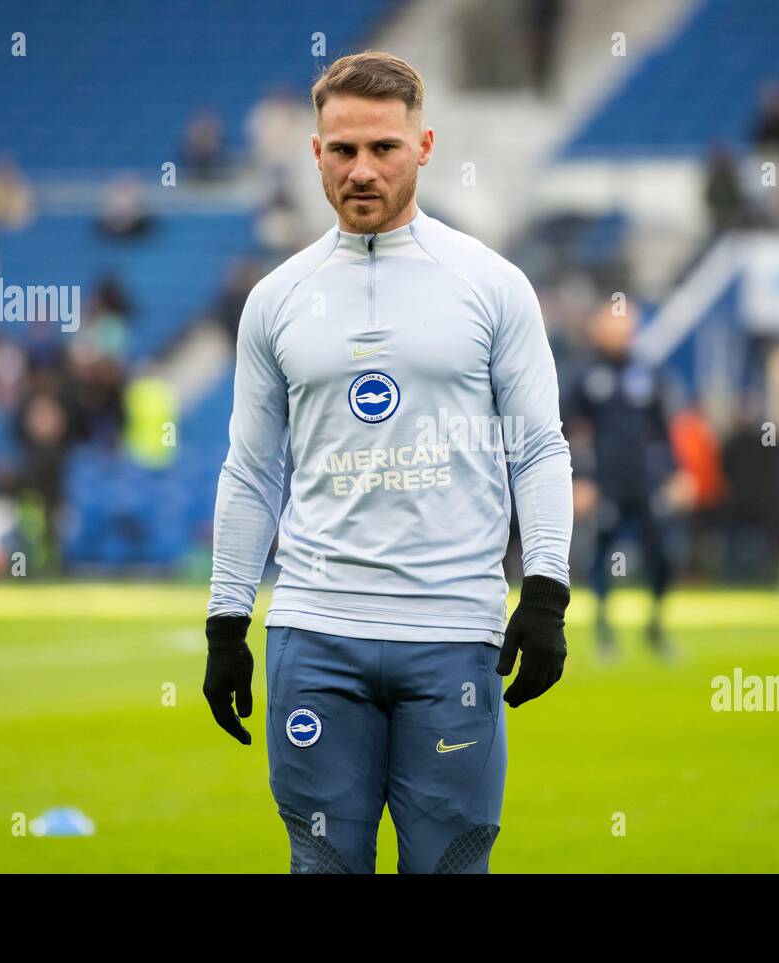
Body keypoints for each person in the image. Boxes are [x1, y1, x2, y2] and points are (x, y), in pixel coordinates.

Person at [202, 51, 573, 874]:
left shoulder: (493, 285)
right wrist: (227, 621)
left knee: (448, 867)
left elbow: (539, 446)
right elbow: (252, 469)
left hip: (452, 635)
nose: (361, 170)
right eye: (342, 150)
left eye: (383, 148)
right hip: (316, 631)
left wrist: (545, 590)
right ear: (316, 153)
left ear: (425, 146)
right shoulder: (276, 299)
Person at [565, 300, 677, 657]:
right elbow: (565, 430)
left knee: (662, 554)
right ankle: (604, 632)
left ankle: (655, 627)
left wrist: (677, 474)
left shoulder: (647, 373)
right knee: (602, 557)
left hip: (645, 482)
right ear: (599, 328)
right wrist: (579, 479)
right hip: (604, 483)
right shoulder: (583, 374)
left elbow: (663, 431)